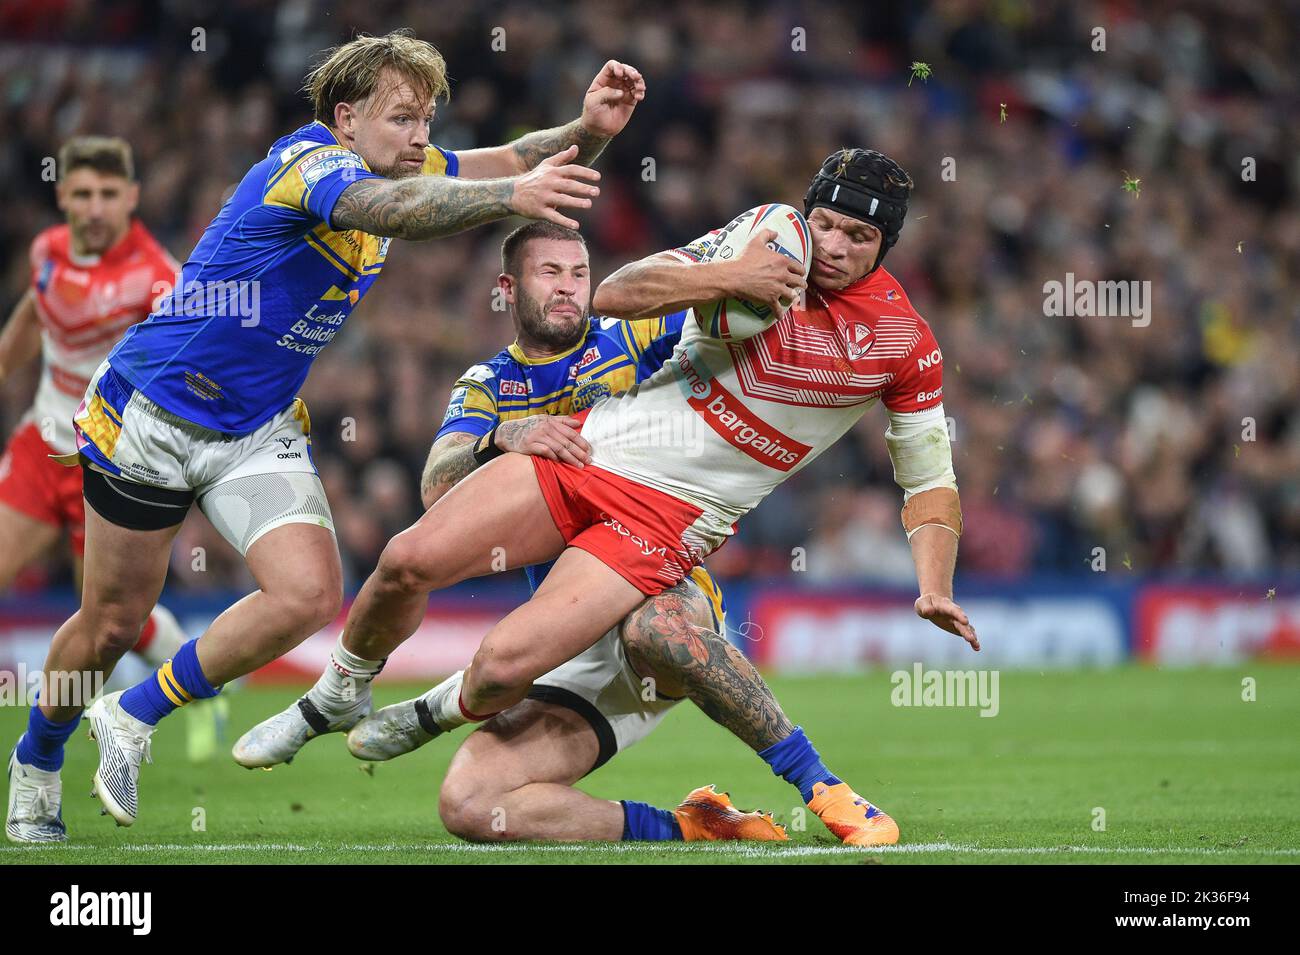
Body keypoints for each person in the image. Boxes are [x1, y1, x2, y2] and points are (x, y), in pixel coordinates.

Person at [5, 28, 645, 843]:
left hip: (255, 425)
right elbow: (395, 212)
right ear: (345, 119)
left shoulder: (404, 166)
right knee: (110, 622)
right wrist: (510, 200)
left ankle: (133, 712)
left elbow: (513, 157)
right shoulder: (309, 168)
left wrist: (590, 130)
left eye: (427, 120)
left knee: (308, 595)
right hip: (154, 413)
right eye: (403, 119)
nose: (421, 138)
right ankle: (36, 762)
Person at [259, 148, 974, 846]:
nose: (834, 245)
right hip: (592, 449)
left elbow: (930, 479)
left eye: (860, 236)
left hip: (665, 517)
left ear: (886, 249)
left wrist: (933, 586)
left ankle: (434, 712)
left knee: (507, 663)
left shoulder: (903, 344)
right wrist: (734, 274)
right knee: (407, 559)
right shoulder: (766, 234)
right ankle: (335, 693)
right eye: (825, 223)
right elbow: (616, 292)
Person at [2, 137, 222, 844]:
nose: (94, 208)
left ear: (131, 197)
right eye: (81, 194)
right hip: (42, 444)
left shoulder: (159, 278)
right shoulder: (45, 252)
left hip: (109, 457)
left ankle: (189, 678)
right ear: (62, 196)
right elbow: (32, 323)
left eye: (108, 194)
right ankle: (39, 767)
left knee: (108, 625)